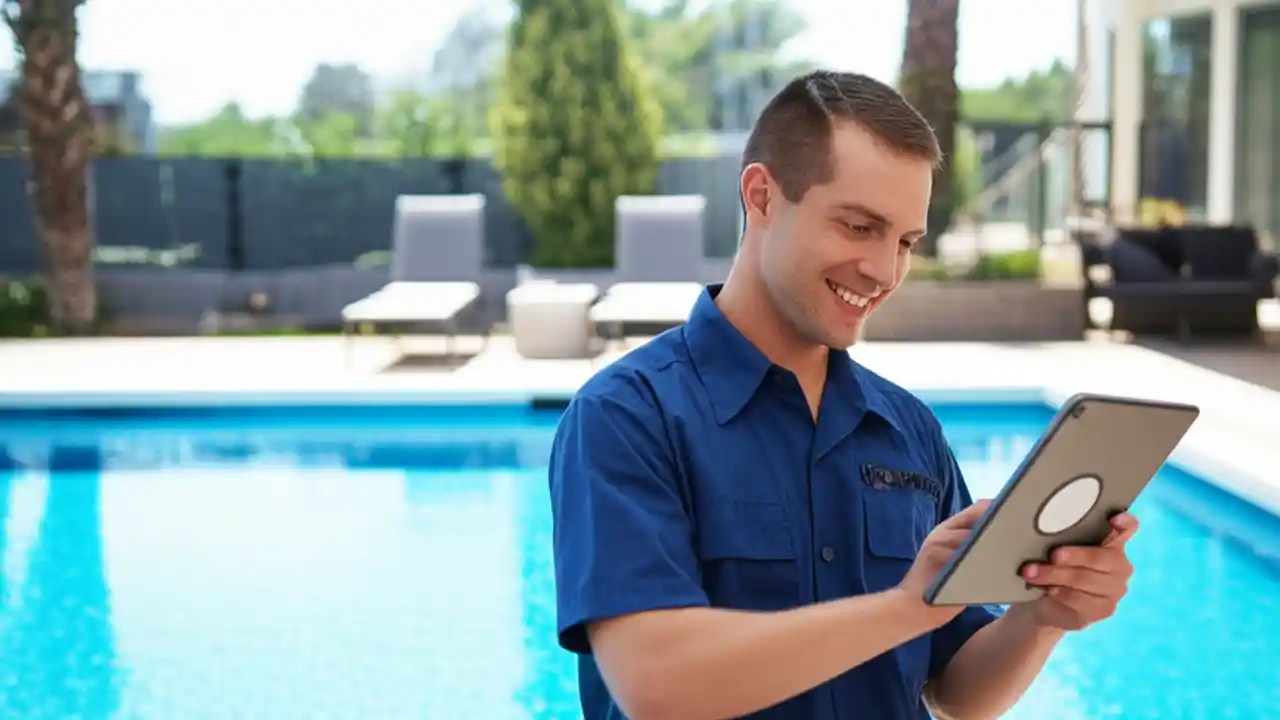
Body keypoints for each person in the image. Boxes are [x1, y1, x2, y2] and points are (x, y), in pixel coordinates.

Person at [546, 70, 1139, 720]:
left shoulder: (908, 428)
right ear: (762, 197)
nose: (884, 271)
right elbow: (656, 684)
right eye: (859, 227)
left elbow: (958, 693)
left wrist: (1041, 616)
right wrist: (904, 608)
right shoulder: (627, 417)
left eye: (905, 242)